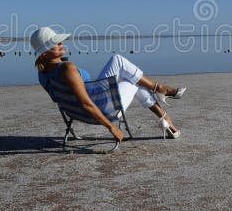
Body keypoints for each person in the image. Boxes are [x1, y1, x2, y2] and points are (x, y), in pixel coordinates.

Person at [31, 26, 186, 142]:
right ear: (44, 53)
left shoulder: (43, 73)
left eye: (59, 40)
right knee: (133, 80)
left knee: (119, 63)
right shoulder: (66, 69)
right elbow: (86, 104)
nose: (60, 43)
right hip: (102, 108)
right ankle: (162, 100)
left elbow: (61, 98)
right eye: (54, 43)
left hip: (76, 112)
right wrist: (111, 128)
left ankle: (160, 95)